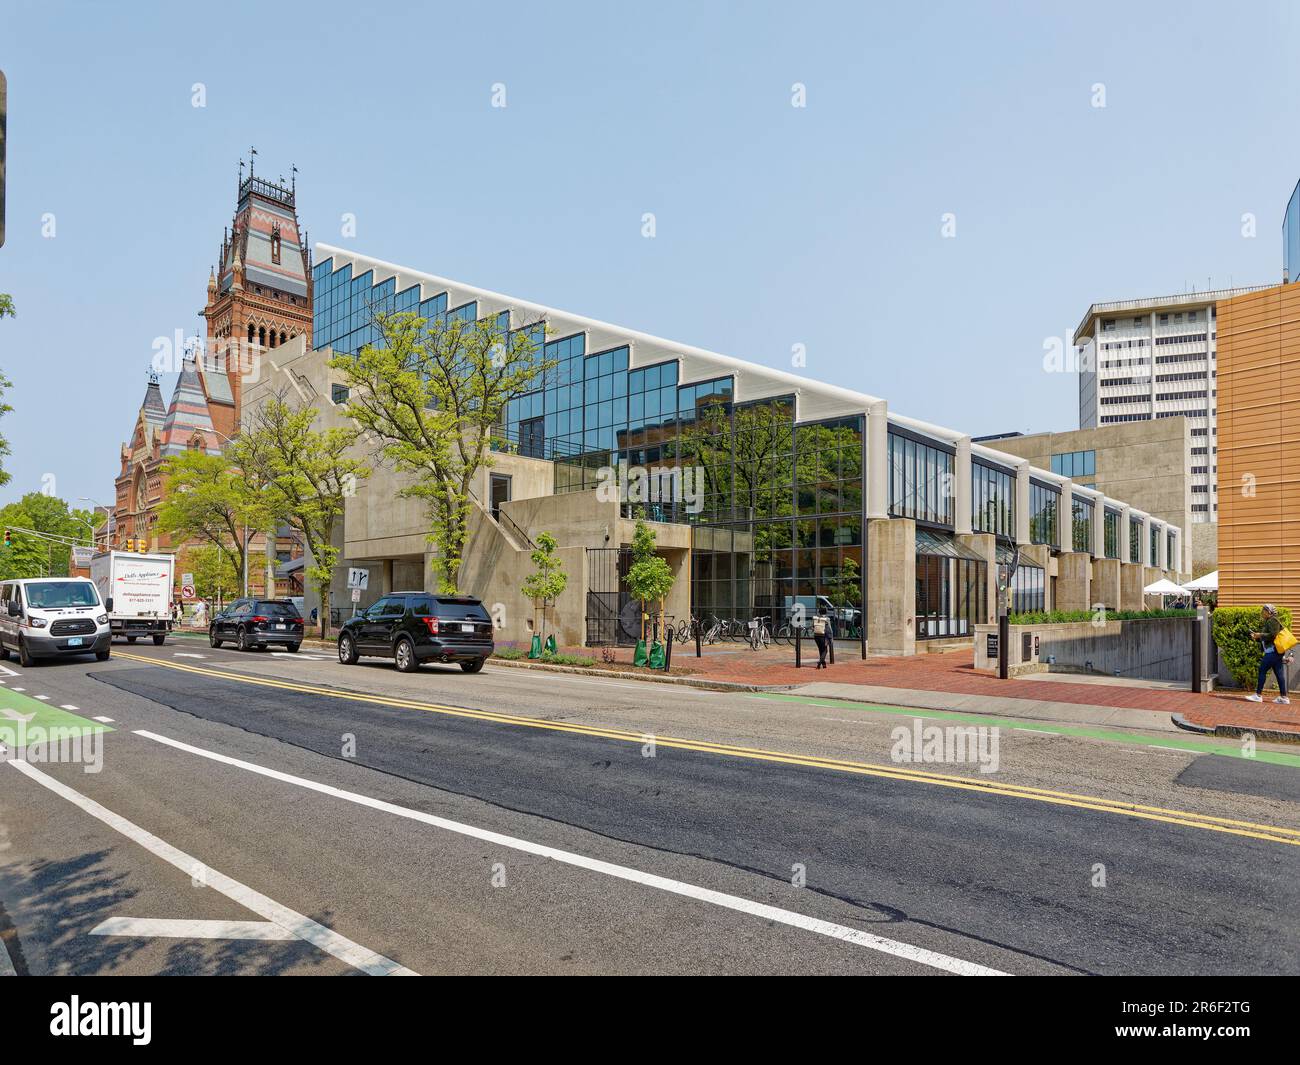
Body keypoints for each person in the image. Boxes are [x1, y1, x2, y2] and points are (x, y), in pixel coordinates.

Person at [1247, 603, 1291, 704]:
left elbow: (1273, 635)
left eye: (1264, 611)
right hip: (1275, 652)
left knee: (1262, 670)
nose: (1262, 613)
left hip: (1272, 651)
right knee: (1279, 673)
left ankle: (1258, 695)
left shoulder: (1272, 620)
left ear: (1269, 612)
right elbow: (1268, 637)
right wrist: (1257, 637)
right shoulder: (1270, 620)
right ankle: (1284, 697)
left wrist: (1260, 635)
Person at [812, 605, 831, 669]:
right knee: (825, 650)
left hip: (816, 636)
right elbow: (829, 629)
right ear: (826, 612)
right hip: (823, 636)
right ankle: (820, 661)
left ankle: (823, 664)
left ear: (819, 611)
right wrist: (830, 638)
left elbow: (813, 627)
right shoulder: (827, 619)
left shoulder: (816, 618)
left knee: (820, 649)